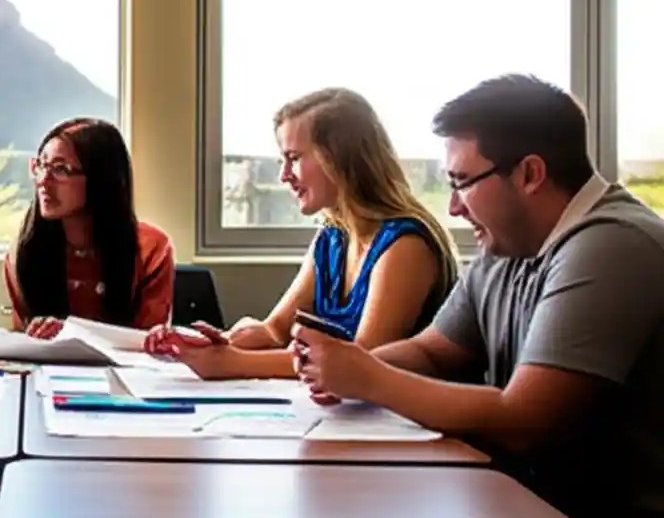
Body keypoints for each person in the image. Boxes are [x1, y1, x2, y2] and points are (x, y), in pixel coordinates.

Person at [294, 75, 664, 516]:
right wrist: (344, 367)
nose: (453, 206)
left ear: (530, 174)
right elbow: (432, 352)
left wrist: (369, 378)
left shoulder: (613, 245)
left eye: (463, 181)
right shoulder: (511, 241)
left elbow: (525, 420)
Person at [146, 88, 456, 379]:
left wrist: (231, 363)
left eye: (294, 158)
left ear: (339, 159)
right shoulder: (331, 239)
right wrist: (216, 343)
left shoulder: (405, 246)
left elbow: (362, 362)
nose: (283, 175)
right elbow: (274, 331)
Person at [4, 118, 174, 338]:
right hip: (49, 369)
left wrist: (73, 335)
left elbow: (147, 344)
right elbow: (22, 343)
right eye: (41, 166)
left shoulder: (151, 249)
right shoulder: (24, 252)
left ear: (100, 179)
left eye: (60, 169)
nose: (43, 181)